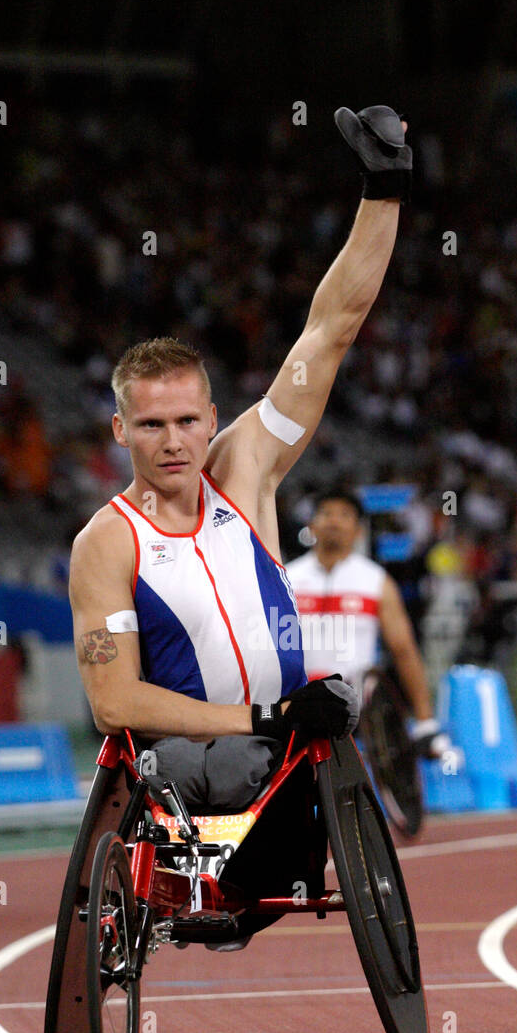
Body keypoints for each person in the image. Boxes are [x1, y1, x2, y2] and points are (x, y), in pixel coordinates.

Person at [68, 106, 413, 942]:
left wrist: (385, 191)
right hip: (184, 758)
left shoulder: (243, 469)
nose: (175, 442)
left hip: (286, 759)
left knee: (327, 732)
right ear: (121, 432)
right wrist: (259, 721)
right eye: (151, 426)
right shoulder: (105, 542)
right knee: (255, 744)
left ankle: (242, 904)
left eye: (188, 421)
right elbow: (114, 701)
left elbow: (331, 330)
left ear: (212, 416)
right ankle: (204, 894)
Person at [286, 488, 445, 753]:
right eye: (326, 514)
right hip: (296, 706)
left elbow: (403, 650)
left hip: (358, 713)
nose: (334, 521)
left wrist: (425, 720)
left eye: (345, 515)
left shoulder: (376, 581)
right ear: (311, 525)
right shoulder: (287, 577)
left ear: (359, 530)